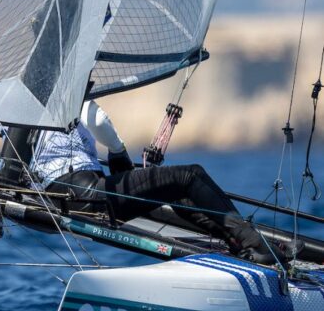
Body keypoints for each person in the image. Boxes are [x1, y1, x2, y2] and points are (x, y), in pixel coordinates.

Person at [31, 100, 286, 265]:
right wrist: (118, 151)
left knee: (172, 191)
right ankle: (253, 243)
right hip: (83, 194)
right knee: (190, 175)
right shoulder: (65, 89)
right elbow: (97, 119)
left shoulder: (26, 99)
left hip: (72, 193)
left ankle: (243, 241)